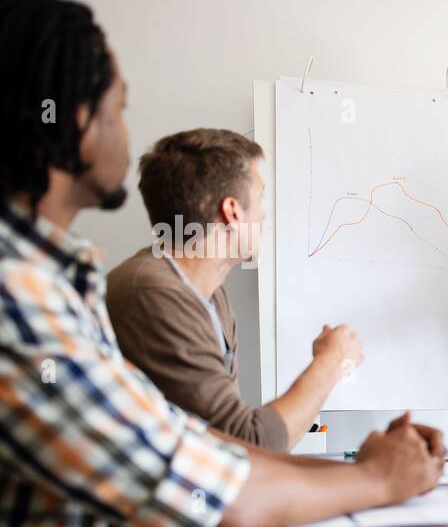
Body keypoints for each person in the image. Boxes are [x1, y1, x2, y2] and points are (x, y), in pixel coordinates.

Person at [0, 0, 445, 527]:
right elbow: (199, 470)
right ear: (71, 121)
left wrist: (365, 472)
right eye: (119, 108)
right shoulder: (32, 289)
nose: (127, 135)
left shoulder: (58, 275)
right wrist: (377, 479)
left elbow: (190, 447)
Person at [107, 128, 363, 451]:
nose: (263, 213)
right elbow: (247, 444)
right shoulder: (151, 295)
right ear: (232, 212)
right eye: (259, 197)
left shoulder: (212, 295)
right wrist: (331, 362)